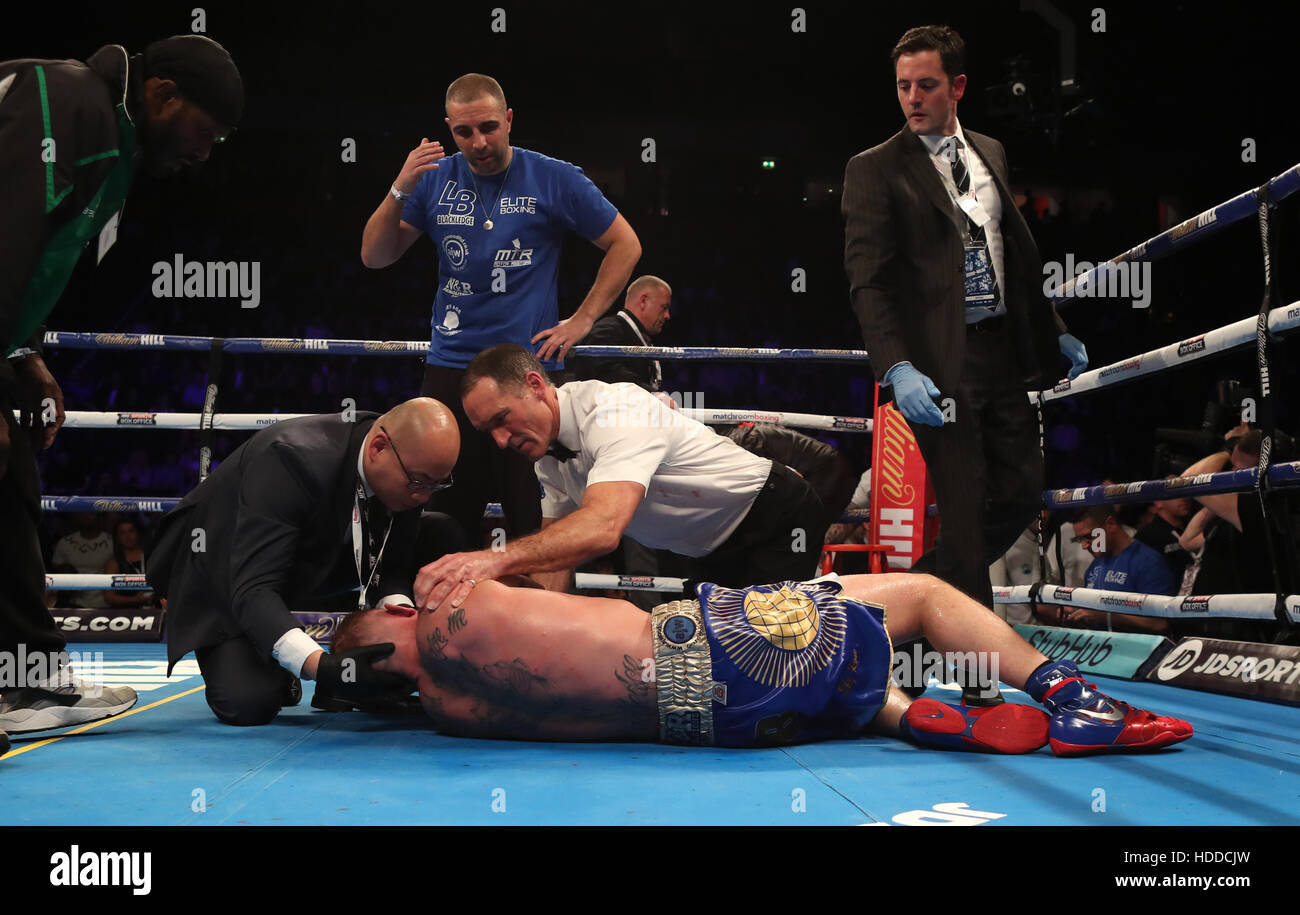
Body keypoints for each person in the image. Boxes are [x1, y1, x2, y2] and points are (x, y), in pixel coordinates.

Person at [0, 35, 244, 739]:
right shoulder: (72, 103)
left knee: (12, 475)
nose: (204, 153)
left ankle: (30, 680)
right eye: (204, 132)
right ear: (163, 94)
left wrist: (23, 355)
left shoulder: (106, 133)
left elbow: (29, 256)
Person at [334, 571, 1192, 756]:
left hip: (712, 723)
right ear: (388, 621)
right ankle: (1072, 697)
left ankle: (918, 713)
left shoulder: (448, 710)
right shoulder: (452, 606)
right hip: (707, 641)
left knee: (848, 678)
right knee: (923, 594)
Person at [840, 26, 1089, 625]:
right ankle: (979, 679)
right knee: (963, 507)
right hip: (936, 364)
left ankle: (904, 604)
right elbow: (868, 281)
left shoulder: (990, 151)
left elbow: (1015, 255)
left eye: (926, 85)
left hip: (1002, 352)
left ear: (958, 87)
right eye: (903, 87)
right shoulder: (874, 169)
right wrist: (897, 368)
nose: (913, 98)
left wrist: (1051, 324)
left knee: (1021, 494)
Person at [360, 73, 642, 548]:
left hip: (525, 372)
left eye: (489, 127)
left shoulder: (554, 177)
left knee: (535, 515)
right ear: (449, 128)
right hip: (451, 367)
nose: (479, 142)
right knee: (444, 512)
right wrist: (399, 188)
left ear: (509, 119)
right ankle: (449, 617)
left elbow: (625, 243)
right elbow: (375, 255)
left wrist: (584, 319)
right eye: (464, 132)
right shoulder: (432, 181)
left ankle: (541, 618)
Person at [413, 344, 830, 611]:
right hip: (705, 547)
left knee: (771, 648)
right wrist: (520, 616)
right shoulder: (546, 458)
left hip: (774, 516)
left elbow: (603, 527)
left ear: (536, 385)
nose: (501, 441)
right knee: (716, 659)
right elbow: (557, 554)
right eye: (490, 432)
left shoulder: (615, 412)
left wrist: (490, 560)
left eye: (503, 419)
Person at [145, 399, 462, 726]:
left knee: (440, 532)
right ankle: (288, 660)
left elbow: (394, 561)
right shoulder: (291, 459)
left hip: (314, 560)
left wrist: (400, 620)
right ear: (378, 448)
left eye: (436, 484)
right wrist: (322, 669)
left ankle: (363, 670)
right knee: (248, 702)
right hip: (229, 573)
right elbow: (254, 589)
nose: (423, 497)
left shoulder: (406, 463)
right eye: (419, 482)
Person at [1034, 505, 1175, 633]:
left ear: (1111, 524)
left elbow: (1159, 623)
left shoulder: (1149, 562)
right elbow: (1095, 616)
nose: (1084, 545)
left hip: (1137, 655)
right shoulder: (1095, 566)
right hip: (1103, 652)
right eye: (1080, 539)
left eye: (1088, 536)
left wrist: (1104, 617)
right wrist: (1076, 614)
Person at [567, 275, 672, 390]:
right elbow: (603, 370)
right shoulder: (608, 329)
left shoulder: (635, 335)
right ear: (643, 301)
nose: (667, 315)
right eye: (664, 307)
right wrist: (649, 393)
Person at [50, 512, 114, 609]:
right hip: (72, 603)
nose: (85, 516)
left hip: (104, 603)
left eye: (89, 513)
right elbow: (55, 571)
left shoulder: (112, 542)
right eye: (81, 513)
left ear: (98, 516)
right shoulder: (64, 542)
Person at [103, 518, 154, 609]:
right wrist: (136, 599)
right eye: (122, 533)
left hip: (156, 611)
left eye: (131, 531)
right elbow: (109, 597)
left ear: (138, 533)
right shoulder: (114, 563)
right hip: (127, 614)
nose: (128, 536)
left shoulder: (152, 556)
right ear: (117, 537)